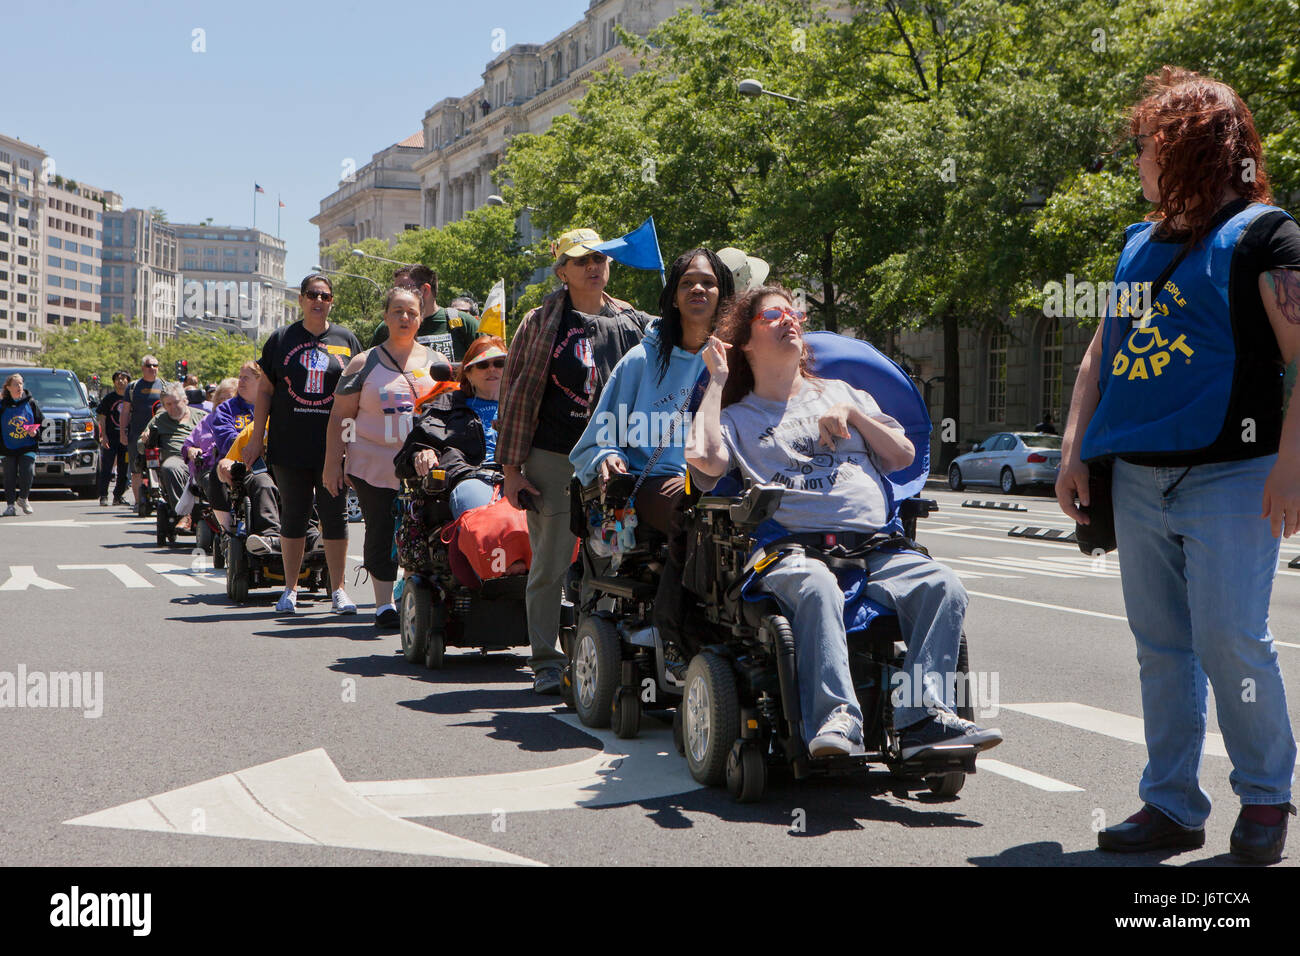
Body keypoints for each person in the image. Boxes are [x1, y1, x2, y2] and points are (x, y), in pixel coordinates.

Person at [1057, 67, 1300, 863]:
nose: (1138, 160)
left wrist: (1291, 463)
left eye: (1148, 145)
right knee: (1161, 646)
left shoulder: (1268, 236)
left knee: (1233, 638)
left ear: (1189, 146)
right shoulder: (1139, 242)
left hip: (1233, 472)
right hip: (1139, 473)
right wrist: (1074, 448)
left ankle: (1265, 798)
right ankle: (1170, 804)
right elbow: (1104, 350)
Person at [685, 284, 1004, 759]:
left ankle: (922, 718)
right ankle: (836, 719)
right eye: (773, 315)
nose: (789, 319)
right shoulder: (737, 416)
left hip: (875, 547)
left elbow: (902, 457)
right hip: (794, 550)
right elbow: (705, 464)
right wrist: (715, 380)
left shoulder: (842, 392)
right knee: (817, 587)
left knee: (944, 586)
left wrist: (855, 413)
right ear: (746, 341)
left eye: (794, 313)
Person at [496, 227, 653, 694]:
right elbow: (515, 394)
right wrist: (511, 470)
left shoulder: (632, 321)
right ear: (561, 270)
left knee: (613, 556)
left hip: (614, 462)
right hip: (553, 458)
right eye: (581, 259)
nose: (593, 266)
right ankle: (546, 662)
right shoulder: (540, 321)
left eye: (600, 258)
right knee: (549, 563)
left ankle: (604, 654)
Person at [569, 247, 735, 653]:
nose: (698, 288)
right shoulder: (640, 361)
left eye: (709, 282)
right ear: (674, 297)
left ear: (723, 294)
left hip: (728, 483)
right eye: (687, 283)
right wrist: (605, 455)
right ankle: (673, 632)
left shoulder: (742, 361)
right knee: (696, 513)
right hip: (659, 482)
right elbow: (596, 438)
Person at [326, 286, 452, 628]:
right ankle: (383, 605)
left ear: (421, 317)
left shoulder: (438, 363)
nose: (405, 318)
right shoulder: (363, 363)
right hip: (373, 463)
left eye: (412, 312)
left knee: (422, 530)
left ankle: (411, 596)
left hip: (425, 466)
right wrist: (333, 463)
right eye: (397, 311)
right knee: (381, 530)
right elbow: (341, 416)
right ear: (385, 316)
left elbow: (453, 412)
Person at [243, 273, 363, 616]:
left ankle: (338, 590)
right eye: (312, 294)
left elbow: (358, 397)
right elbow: (265, 390)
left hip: (333, 448)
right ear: (301, 299)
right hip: (289, 444)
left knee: (335, 517)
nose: (319, 301)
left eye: (325, 296)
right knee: (293, 517)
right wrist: (256, 438)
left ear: (332, 301)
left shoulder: (346, 340)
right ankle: (290, 589)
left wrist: (352, 449)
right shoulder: (281, 339)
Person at [394, 334, 509, 517]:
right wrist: (423, 453)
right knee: (483, 516)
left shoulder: (524, 405)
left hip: (520, 477)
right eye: (483, 364)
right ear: (468, 373)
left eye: (499, 363)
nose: (492, 369)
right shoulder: (446, 406)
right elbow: (412, 450)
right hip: (471, 477)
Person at [195, 362, 260, 532]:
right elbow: (226, 438)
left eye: (246, 378)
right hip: (234, 459)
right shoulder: (226, 409)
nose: (241, 382)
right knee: (218, 471)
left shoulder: (270, 406)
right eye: (240, 377)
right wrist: (254, 444)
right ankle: (226, 529)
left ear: (260, 381)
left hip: (266, 460)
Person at [369, 264, 482, 361]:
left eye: (402, 288)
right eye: (395, 289)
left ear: (425, 290)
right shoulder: (387, 327)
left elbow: (491, 366)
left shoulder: (465, 323)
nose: (397, 294)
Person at [137, 382, 207, 531]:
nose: (173, 407)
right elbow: (141, 447)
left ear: (185, 400)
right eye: (168, 404)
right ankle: (184, 515)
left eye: (176, 402)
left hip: (201, 460)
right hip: (177, 460)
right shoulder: (159, 420)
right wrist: (144, 440)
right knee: (170, 467)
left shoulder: (201, 417)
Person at [179, 378, 238, 521]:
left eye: (229, 399)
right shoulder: (207, 420)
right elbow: (187, 446)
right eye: (220, 399)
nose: (224, 403)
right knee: (212, 479)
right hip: (208, 466)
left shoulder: (242, 418)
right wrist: (192, 450)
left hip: (236, 463)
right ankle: (225, 521)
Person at [121, 355, 166, 510]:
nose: (152, 368)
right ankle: (138, 502)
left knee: (162, 467)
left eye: (155, 365)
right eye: (149, 365)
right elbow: (125, 412)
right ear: (142, 368)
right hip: (137, 435)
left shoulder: (165, 386)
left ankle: (162, 500)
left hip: (160, 435)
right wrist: (122, 432)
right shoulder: (132, 387)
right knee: (136, 469)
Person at [1, 373, 44, 516]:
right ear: (8, 387)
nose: (19, 387)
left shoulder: (30, 402)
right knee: (9, 476)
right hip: (8, 446)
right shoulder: (2, 405)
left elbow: (41, 422)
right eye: (15, 384)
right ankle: (10, 505)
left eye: (20, 384)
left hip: (27, 444)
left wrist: (35, 432)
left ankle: (24, 498)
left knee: (28, 471)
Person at [95, 370, 131, 506]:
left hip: (126, 439)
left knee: (124, 468)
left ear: (128, 381)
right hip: (111, 438)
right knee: (107, 467)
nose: (120, 381)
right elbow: (102, 418)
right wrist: (104, 436)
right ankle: (103, 495)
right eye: (117, 379)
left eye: (123, 378)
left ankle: (118, 496)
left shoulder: (131, 398)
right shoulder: (109, 398)